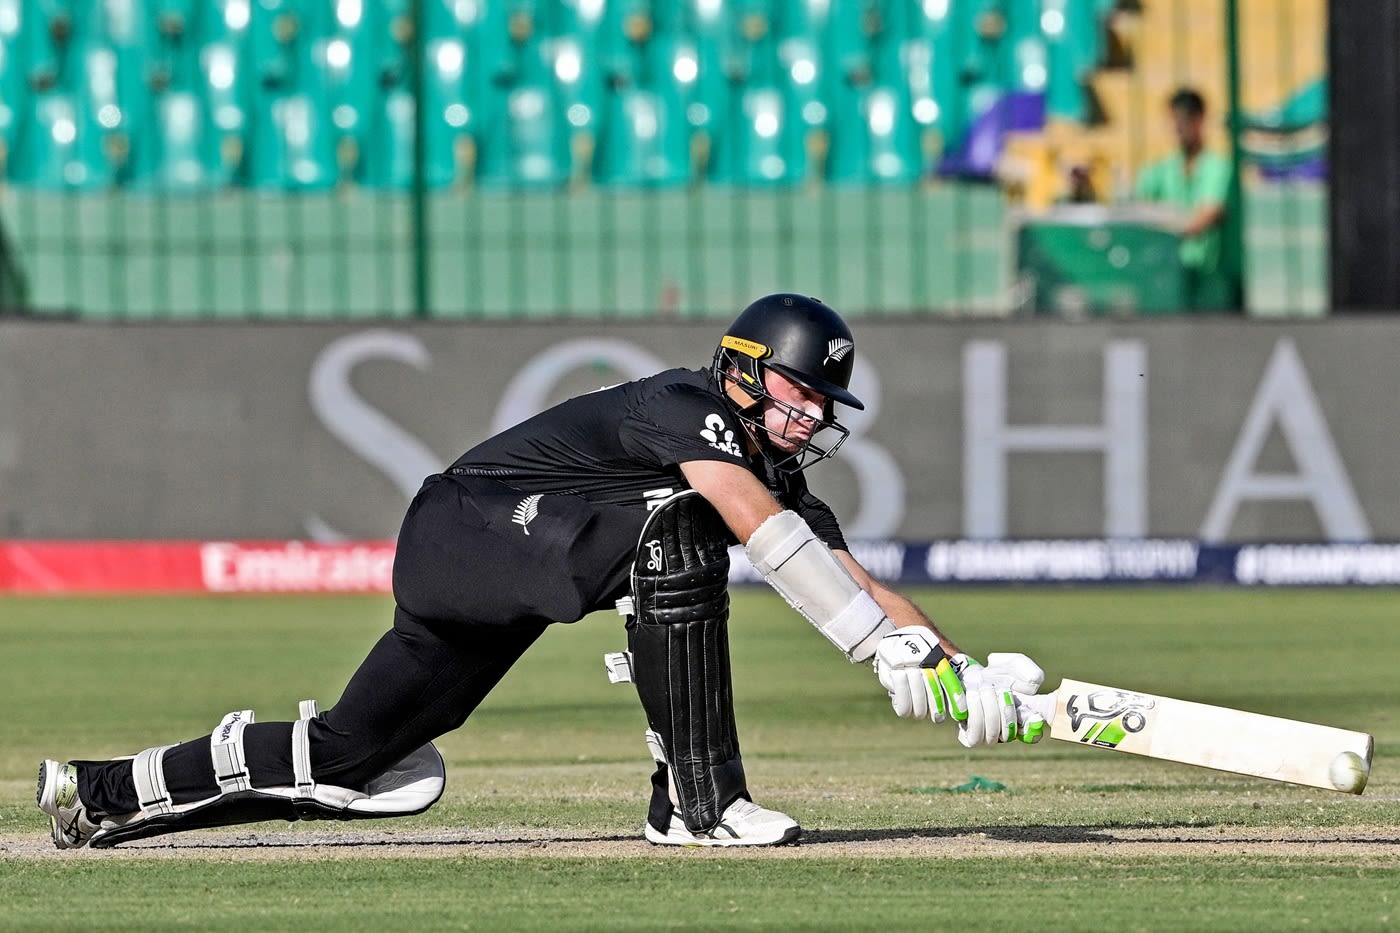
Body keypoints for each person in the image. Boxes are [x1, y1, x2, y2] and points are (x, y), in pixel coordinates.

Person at [36, 294, 1046, 851]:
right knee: (684, 528)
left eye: (821, 403)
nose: (810, 416)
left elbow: (840, 571)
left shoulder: (762, 461)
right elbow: (750, 525)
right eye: (796, 391)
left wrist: (955, 672)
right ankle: (695, 805)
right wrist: (878, 653)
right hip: (469, 528)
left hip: (502, 564)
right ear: (739, 367)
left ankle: (103, 791)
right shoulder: (685, 405)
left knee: (353, 758)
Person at [1133, 87, 1243, 311]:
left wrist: (1163, 230)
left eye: (1183, 119)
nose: (1177, 127)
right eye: (1173, 120)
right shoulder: (1161, 170)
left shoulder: (1219, 168)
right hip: (1171, 282)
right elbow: (1139, 210)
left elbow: (1207, 215)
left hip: (1213, 287)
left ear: (1200, 120)